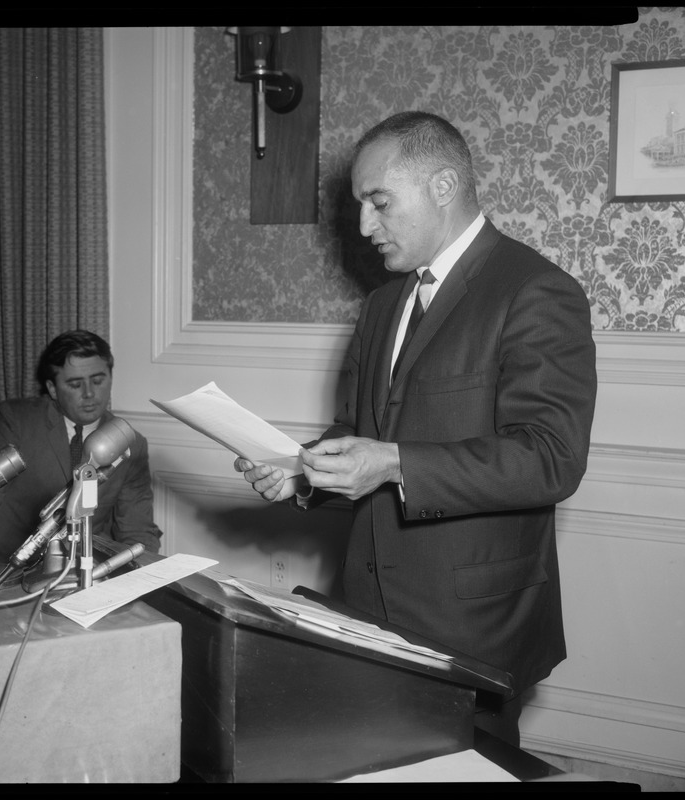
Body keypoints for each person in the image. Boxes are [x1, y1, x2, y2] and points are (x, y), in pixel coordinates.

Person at [236, 111, 597, 746]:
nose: (363, 226)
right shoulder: (382, 304)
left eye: (378, 202)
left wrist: (395, 463)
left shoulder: (536, 290)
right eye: (359, 206)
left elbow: (550, 458)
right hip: (366, 609)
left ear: (443, 185)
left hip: (472, 623)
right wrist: (299, 470)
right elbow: (362, 429)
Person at [0, 329, 163, 566]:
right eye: (75, 384)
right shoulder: (16, 422)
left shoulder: (130, 443)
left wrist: (144, 583)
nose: (89, 394)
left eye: (98, 381)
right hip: (7, 569)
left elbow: (137, 530)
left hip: (83, 573)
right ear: (53, 389)